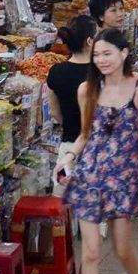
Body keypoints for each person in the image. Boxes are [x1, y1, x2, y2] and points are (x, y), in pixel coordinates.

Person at [60, 29, 138, 274]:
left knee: (122, 248)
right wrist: (69, 157)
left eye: (107, 53)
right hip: (89, 176)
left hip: (123, 178)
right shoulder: (87, 89)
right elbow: (85, 133)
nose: (101, 60)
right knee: (90, 252)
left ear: (124, 53)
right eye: (97, 55)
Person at [48, 15, 97, 165]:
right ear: (90, 41)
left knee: (65, 179)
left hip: (69, 147)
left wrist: (70, 124)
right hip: (97, 147)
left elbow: (54, 112)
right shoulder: (99, 72)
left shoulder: (56, 71)